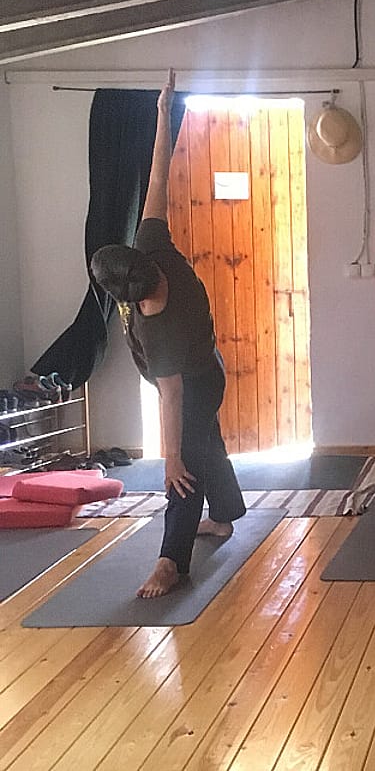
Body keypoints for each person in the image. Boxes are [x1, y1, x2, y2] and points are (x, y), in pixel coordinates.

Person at [90, 70, 246, 598]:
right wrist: (163, 114)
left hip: (196, 382)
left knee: (184, 473)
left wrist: (169, 456)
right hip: (208, 369)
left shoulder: (165, 330)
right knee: (206, 448)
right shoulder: (153, 243)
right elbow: (158, 181)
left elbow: (172, 396)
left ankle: (170, 561)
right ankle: (226, 515)